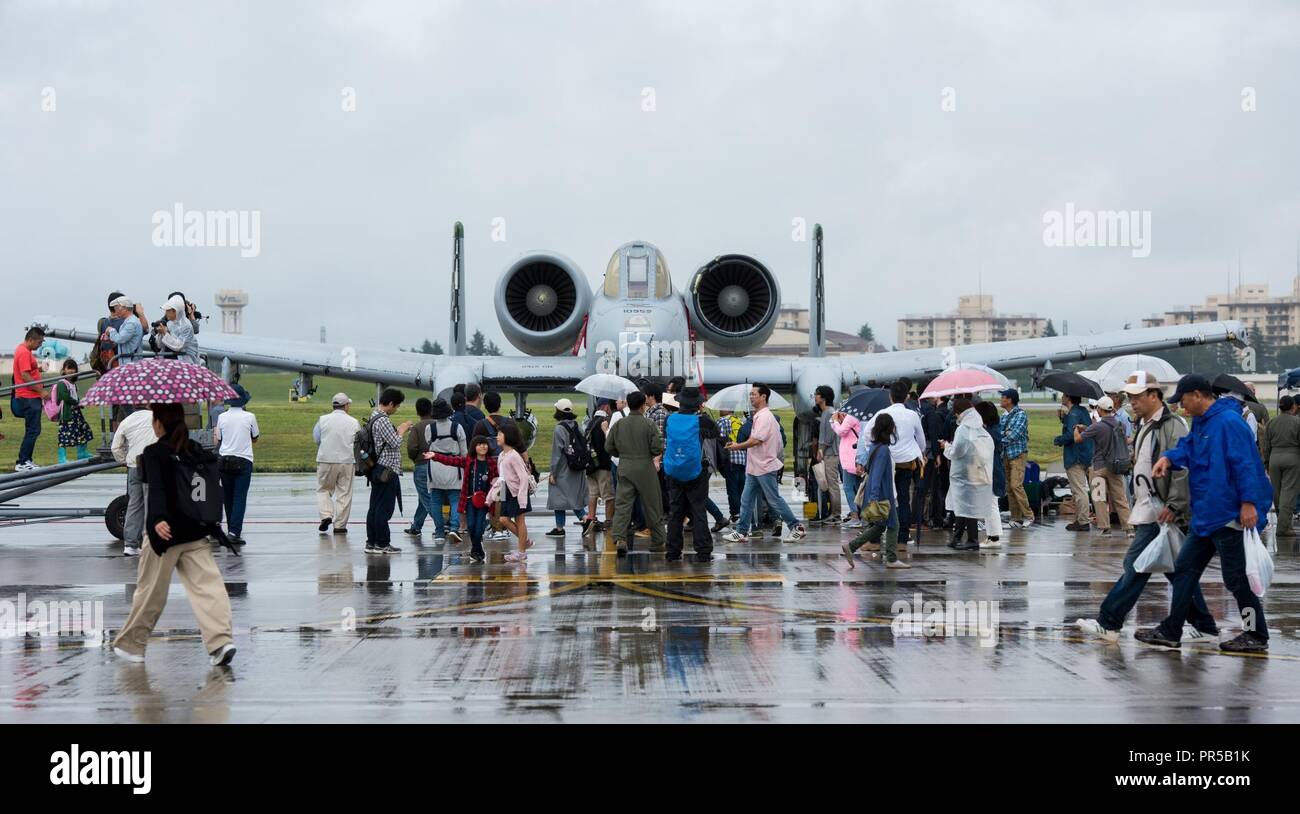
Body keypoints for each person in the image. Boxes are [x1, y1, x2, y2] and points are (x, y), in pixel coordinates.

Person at [1076, 372, 1219, 643]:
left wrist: (1175, 505)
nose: (1132, 402)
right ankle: (1204, 624)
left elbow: (1182, 467)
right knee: (1175, 569)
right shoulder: (1145, 424)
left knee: (1137, 564)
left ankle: (1109, 621)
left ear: (1154, 395)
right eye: (1129, 397)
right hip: (1148, 506)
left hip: (1160, 509)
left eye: (1137, 396)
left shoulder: (1172, 424)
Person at [1136, 374, 1274, 654]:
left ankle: (1255, 634)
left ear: (1198, 395)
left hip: (1228, 515)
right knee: (1183, 569)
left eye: (1183, 400)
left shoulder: (1229, 423)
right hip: (1205, 516)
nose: (1181, 406)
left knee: (1236, 579)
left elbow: (1246, 464)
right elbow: (1189, 448)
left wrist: (1248, 503)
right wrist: (1169, 457)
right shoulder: (1202, 423)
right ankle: (1172, 630)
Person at [112, 403, 236, 667]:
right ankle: (220, 642)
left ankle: (132, 645)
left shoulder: (156, 452)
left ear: (157, 423)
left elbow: (155, 490)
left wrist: (156, 520)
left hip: (165, 535)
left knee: (150, 593)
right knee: (209, 588)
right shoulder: (195, 450)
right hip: (196, 530)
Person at [722, 383, 808, 543]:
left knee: (774, 500)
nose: (751, 397)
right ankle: (741, 531)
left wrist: (736, 447)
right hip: (755, 467)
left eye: (754, 394)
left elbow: (755, 440)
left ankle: (797, 527)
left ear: (763, 397)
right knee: (746, 500)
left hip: (764, 467)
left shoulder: (765, 417)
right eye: (750, 394)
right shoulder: (759, 416)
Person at [862, 381, 927, 545]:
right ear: (906, 397)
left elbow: (867, 435)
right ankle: (902, 539)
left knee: (884, 499)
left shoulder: (881, 413)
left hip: (886, 462)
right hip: (906, 463)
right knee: (903, 499)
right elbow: (921, 442)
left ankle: (875, 537)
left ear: (890, 397)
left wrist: (875, 449)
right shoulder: (912, 415)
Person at [843, 413, 910, 569]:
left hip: (879, 493)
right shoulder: (883, 450)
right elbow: (877, 475)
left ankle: (851, 547)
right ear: (888, 428)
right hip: (883, 495)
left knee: (880, 526)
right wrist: (874, 497)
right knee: (893, 524)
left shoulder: (875, 446)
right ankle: (891, 559)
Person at [605, 390, 666, 554]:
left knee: (623, 505)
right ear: (642, 405)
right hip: (645, 467)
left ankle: (620, 538)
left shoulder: (619, 424)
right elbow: (657, 447)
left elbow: (609, 447)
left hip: (625, 466)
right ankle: (658, 541)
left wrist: (622, 454)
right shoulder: (649, 424)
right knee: (653, 505)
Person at [663, 387, 719, 561]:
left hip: (673, 470)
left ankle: (672, 550)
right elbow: (715, 433)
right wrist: (704, 414)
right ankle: (703, 551)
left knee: (675, 512)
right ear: (698, 404)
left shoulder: (669, 419)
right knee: (698, 510)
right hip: (696, 470)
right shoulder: (702, 421)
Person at [428, 435, 498, 562]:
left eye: (485, 444)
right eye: (479, 444)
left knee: (478, 527)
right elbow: (451, 461)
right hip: (470, 500)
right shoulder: (469, 461)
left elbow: (499, 478)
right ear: (474, 448)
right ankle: (477, 549)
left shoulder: (492, 462)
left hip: (485, 501)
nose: (483, 446)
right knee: (470, 526)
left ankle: (476, 550)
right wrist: (435, 456)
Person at [408, 398, 467, 542]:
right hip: (453, 466)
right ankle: (453, 528)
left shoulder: (430, 429)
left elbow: (429, 442)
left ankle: (439, 531)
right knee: (455, 499)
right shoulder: (457, 427)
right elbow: (464, 451)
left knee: (435, 499)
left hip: (435, 466)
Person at [1075, 395, 1132, 537]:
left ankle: (1105, 528)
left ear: (1100, 409)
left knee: (1099, 498)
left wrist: (1077, 428)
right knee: (1120, 498)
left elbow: (1078, 439)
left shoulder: (1097, 426)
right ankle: (1129, 528)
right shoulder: (1121, 425)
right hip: (1115, 466)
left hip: (1098, 467)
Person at [365, 388, 412, 554]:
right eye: (396, 406)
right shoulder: (383, 420)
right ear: (391, 404)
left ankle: (371, 542)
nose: (396, 409)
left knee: (375, 506)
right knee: (383, 508)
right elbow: (394, 442)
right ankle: (382, 543)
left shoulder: (373, 415)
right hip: (387, 469)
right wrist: (403, 429)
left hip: (377, 468)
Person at [943, 395, 994, 551]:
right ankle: (957, 537)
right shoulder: (979, 427)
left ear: (960, 412)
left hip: (964, 474)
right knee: (962, 507)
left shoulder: (963, 429)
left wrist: (946, 447)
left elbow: (957, 451)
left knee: (967, 508)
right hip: (977, 471)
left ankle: (972, 539)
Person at [111, 407, 159, 557]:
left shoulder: (127, 421)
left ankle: (130, 544)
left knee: (134, 504)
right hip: (154, 464)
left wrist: (123, 460)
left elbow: (115, 447)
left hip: (134, 465)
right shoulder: (157, 418)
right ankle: (150, 541)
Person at [213, 383, 258, 545]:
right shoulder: (250, 416)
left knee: (228, 496)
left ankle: (230, 529)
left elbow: (218, 438)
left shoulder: (222, 417)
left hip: (224, 459)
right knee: (240, 497)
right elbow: (255, 437)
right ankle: (234, 531)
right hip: (243, 459)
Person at [313, 392, 359, 535]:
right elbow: (358, 441)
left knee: (323, 489)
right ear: (345, 405)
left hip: (326, 459)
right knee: (344, 493)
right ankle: (340, 525)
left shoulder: (322, 420)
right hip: (346, 460)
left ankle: (326, 515)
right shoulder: (353, 422)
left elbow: (317, 438)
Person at [544, 398, 589, 537]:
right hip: (577, 467)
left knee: (559, 497)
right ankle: (564, 526)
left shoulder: (559, 429)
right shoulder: (576, 426)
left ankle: (583, 519)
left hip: (563, 469)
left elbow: (556, 453)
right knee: (572, 497)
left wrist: (553, 472)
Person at [494, 422, 534, 563]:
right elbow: (503, 477)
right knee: (503, 519)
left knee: (520, 520)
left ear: (508, 436)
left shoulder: (514, 456)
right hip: (506, 490)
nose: (497, 437)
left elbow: (523, 477)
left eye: (500, 434)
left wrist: (522, 498)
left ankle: (521, 552)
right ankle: (525, 541)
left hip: (517, 492)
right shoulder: (501, 455)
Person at [1054, 393, 1094, 531]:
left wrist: (1058, 440)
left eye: (1064, 395)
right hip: (1086, 453)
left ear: (1069, 398)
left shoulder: (1073, 414)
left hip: (1075, 455)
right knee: (1081, 489)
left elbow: (1071, 435)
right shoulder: (1082, 411)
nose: (1062, 398)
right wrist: (1063, 420)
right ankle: (1080, 519)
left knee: (1079, 490)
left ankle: (1083, 521)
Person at [1262, 394, 1300, 539]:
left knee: (1277, 493)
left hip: (1274, 459)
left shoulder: (1272, 422)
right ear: (1293, 406)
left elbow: (1266, 445)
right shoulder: (1297, 422)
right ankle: (1284, 528)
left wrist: (1266, 462)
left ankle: (1283, 523)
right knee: (1288, 492)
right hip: (1293, 457)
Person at [11, 327, 47, 472]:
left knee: (32, 430)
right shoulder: (24, 353)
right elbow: (25, 376)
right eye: (39, 341)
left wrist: (39, 369)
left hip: (29, 396)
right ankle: (23, 461)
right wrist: (42, 391)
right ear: (31, 339)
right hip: (29, 397)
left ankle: (26, 460)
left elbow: (27, 371)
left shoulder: (23, 350)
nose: (40, 345)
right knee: (33, 430)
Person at [999, 388, 1032, 528]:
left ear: (1010, 400)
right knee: (1009, 487)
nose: (1001, 400)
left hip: (1017, 454)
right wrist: (1004, 433)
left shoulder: (1020, 414)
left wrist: (1002, 435)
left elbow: (1015, 434)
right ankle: (1015, 517)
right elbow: (1001, 432)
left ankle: (1029, 515)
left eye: (1003, 398)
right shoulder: (1003, 415)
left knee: (1016, 485)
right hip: (1006, 454)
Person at [974, 401, 1005, 548]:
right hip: (993, 469)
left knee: (991, 503)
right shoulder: (993, 429)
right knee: (991, 503)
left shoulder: (990, 433)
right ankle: (992, 535)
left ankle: (994, 537)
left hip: (991, 471)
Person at [584, 399, 615, 540]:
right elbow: (608, 444)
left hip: (590, 465)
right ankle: (608, 520)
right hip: (603, 464)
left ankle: (591, 518)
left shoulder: (590, 422)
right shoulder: (604, 422)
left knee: (593, 494)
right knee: (608, 495)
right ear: (606, 407)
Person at [52, 359, 93, 463]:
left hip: (76, 413)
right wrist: (76, 403)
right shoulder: (62, 383)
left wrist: (79, 403)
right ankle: (62, 458)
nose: (70, 370)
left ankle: (82, 453)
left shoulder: (73, 384)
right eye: (68, 368)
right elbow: (64, 396)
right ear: (64, 370)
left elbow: (74, 397)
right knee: (65, 435)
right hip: (67, 414)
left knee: (83, 430)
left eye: (73, 368)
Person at [813, 385, 842, 524]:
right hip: (829, 453)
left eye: (817, 394)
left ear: (824, 397)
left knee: (832, 485)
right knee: (829, 485)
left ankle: (836, 514)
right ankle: (834, 513)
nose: (815, 396)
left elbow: (829, 436)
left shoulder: (829, 413)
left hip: (831, 454)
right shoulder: (825, 412)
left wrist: (821, 450)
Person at [830, 408, 863, 525]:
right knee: (860, 487)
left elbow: (841, 432)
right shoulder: (862, 416)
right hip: (859, 457)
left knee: (848, 487)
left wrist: (835, 421)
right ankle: (863, 516)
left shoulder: (851, 416)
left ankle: (855, 516)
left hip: (850, 459)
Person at [151, 294, 200, 364]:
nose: (165, 313)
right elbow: (160, 345)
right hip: (168, 361)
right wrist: (160, 333)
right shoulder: (170, 323)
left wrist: (165, 333)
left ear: (175, 311)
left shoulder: (187, 326)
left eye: (168, 311)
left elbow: (178, 346)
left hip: (183, 363)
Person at [717, 408, 746, 522]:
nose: (719, 410)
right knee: (741, 488)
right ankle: (743, 511)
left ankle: (735, 513)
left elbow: (720, 439)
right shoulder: (740, 421)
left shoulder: (722, 421)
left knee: (732, 488)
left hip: (730, 459)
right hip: (743, 458)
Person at [104, 296, 146, 365]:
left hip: (131, 363)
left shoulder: (131, 323)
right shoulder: (130, 321)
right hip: (129, 362)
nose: (116, 311)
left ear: (124, 308)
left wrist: (111, 330)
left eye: (117, 308)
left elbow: (120, 339)